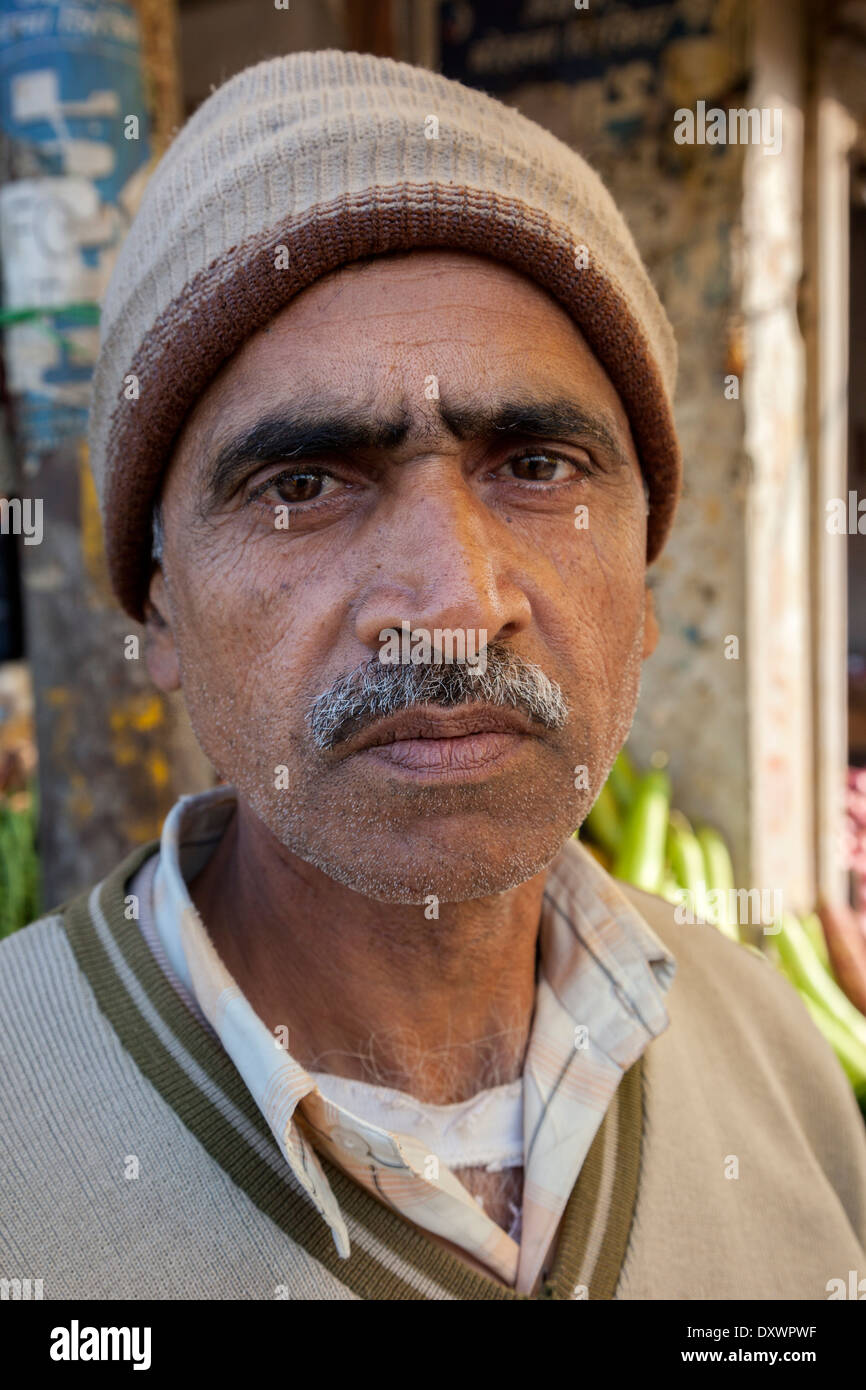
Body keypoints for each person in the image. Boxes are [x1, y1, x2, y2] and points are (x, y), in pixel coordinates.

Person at [1, 50, 864, 1301]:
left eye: (536, 465)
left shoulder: (771, 1059)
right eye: (301, 485)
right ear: (159, 605)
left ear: (644, 580)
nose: (455, 607)